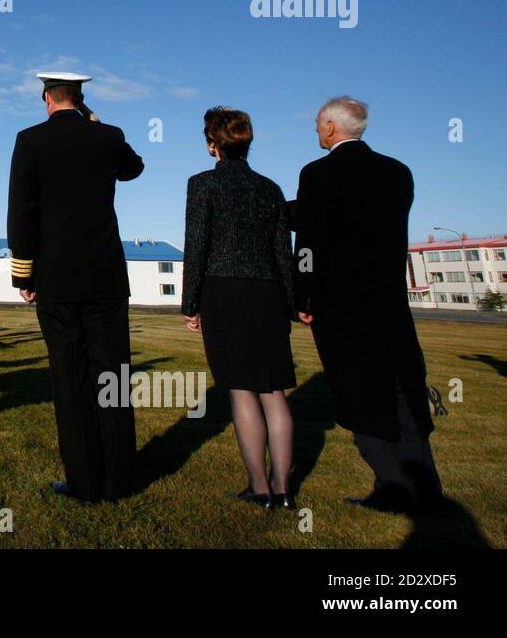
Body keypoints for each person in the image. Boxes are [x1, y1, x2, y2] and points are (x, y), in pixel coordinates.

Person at [292, 96, 442, 513]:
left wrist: (302, 295)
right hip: (389, 299)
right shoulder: (397, 173)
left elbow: (310, 240)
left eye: (317, 124)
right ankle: (424, 485)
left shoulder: (317, 174)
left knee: (359, 392)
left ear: (328, 126)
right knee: (402, 390)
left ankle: (392, 486)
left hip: (342, 304)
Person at [7, 71, 144, 502]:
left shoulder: (30, 141)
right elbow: (134, 168)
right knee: (114, 377)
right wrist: (97, 124)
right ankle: (120, 479)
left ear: (46, 97)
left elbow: (21, 211)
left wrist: (23, 274)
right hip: (104, 277)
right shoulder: (107, 136)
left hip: (57, 278)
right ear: (80, 99)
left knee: (70, 380)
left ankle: (85, 482)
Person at [182, 107, 297, 510]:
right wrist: (289, 302)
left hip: (223, 291)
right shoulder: (271, 189)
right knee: (273, 390)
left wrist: (190, 302)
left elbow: (197, 246)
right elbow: (285, 251)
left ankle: (260, 488)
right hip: (267, 291)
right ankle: (284, 489)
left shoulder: (202, 185)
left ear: (212, 144)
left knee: (241, 388)